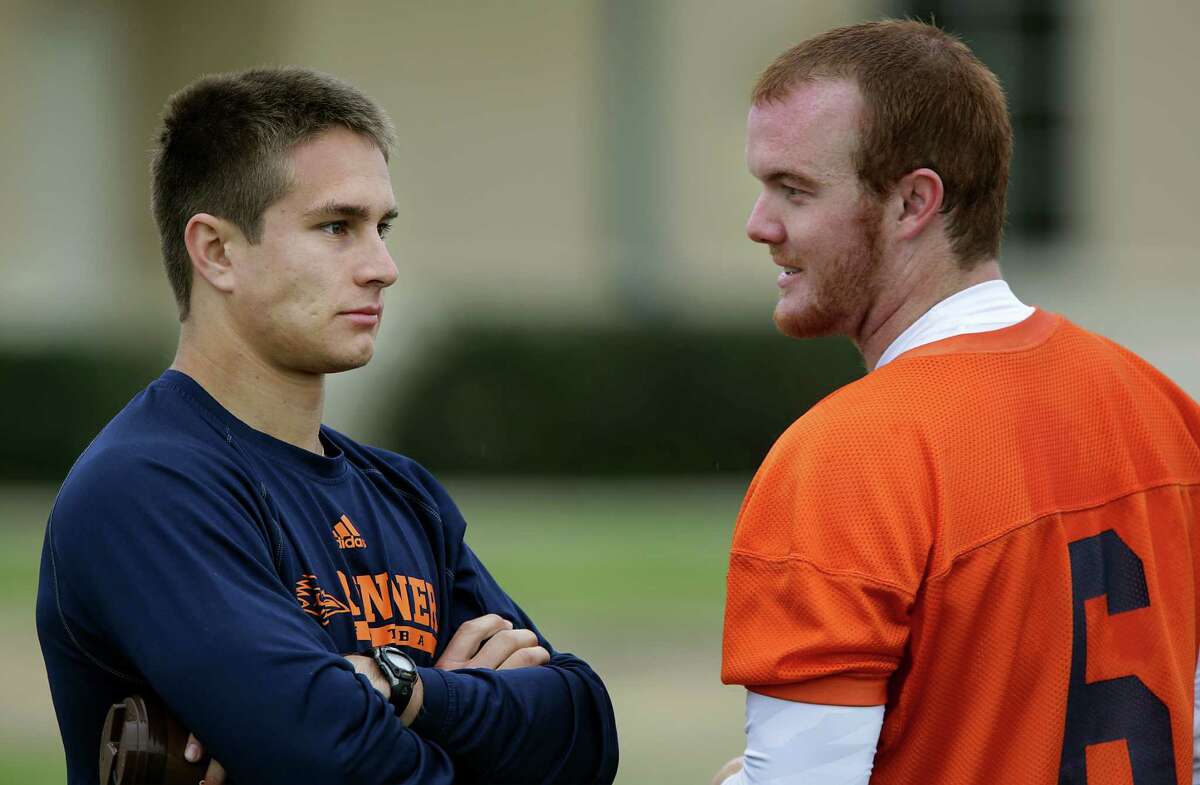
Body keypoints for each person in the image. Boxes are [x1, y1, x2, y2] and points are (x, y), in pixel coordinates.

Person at [36, 67, 618, 785]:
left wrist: (398, 687)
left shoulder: (404, 492)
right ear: (215, 251)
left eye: (382, 227)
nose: (383, 267)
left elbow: (583, 733)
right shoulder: (146, 486)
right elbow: (333, 759)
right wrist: (456, 709)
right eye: (337, 227)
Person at [714, 19, 1200, 785]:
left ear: (913, 203)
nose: (759, 224)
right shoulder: (1160, 407)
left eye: (793, 189)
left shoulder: (844, 456)